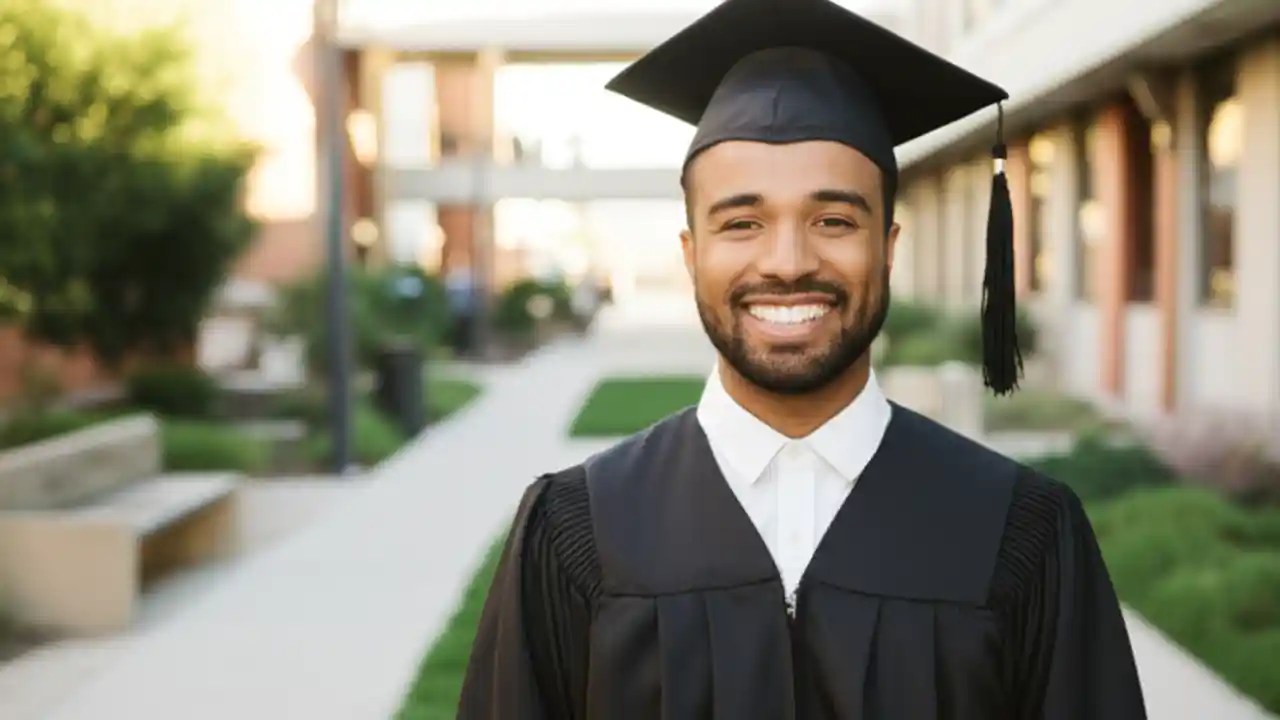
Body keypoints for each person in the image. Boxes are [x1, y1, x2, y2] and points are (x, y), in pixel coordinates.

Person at [459, 0, 1146, 717]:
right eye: (743, 223)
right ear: (691, 256)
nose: (787, 262)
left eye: (834, 221)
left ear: (889, 247)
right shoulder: (577, 533)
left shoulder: (1021, 534)